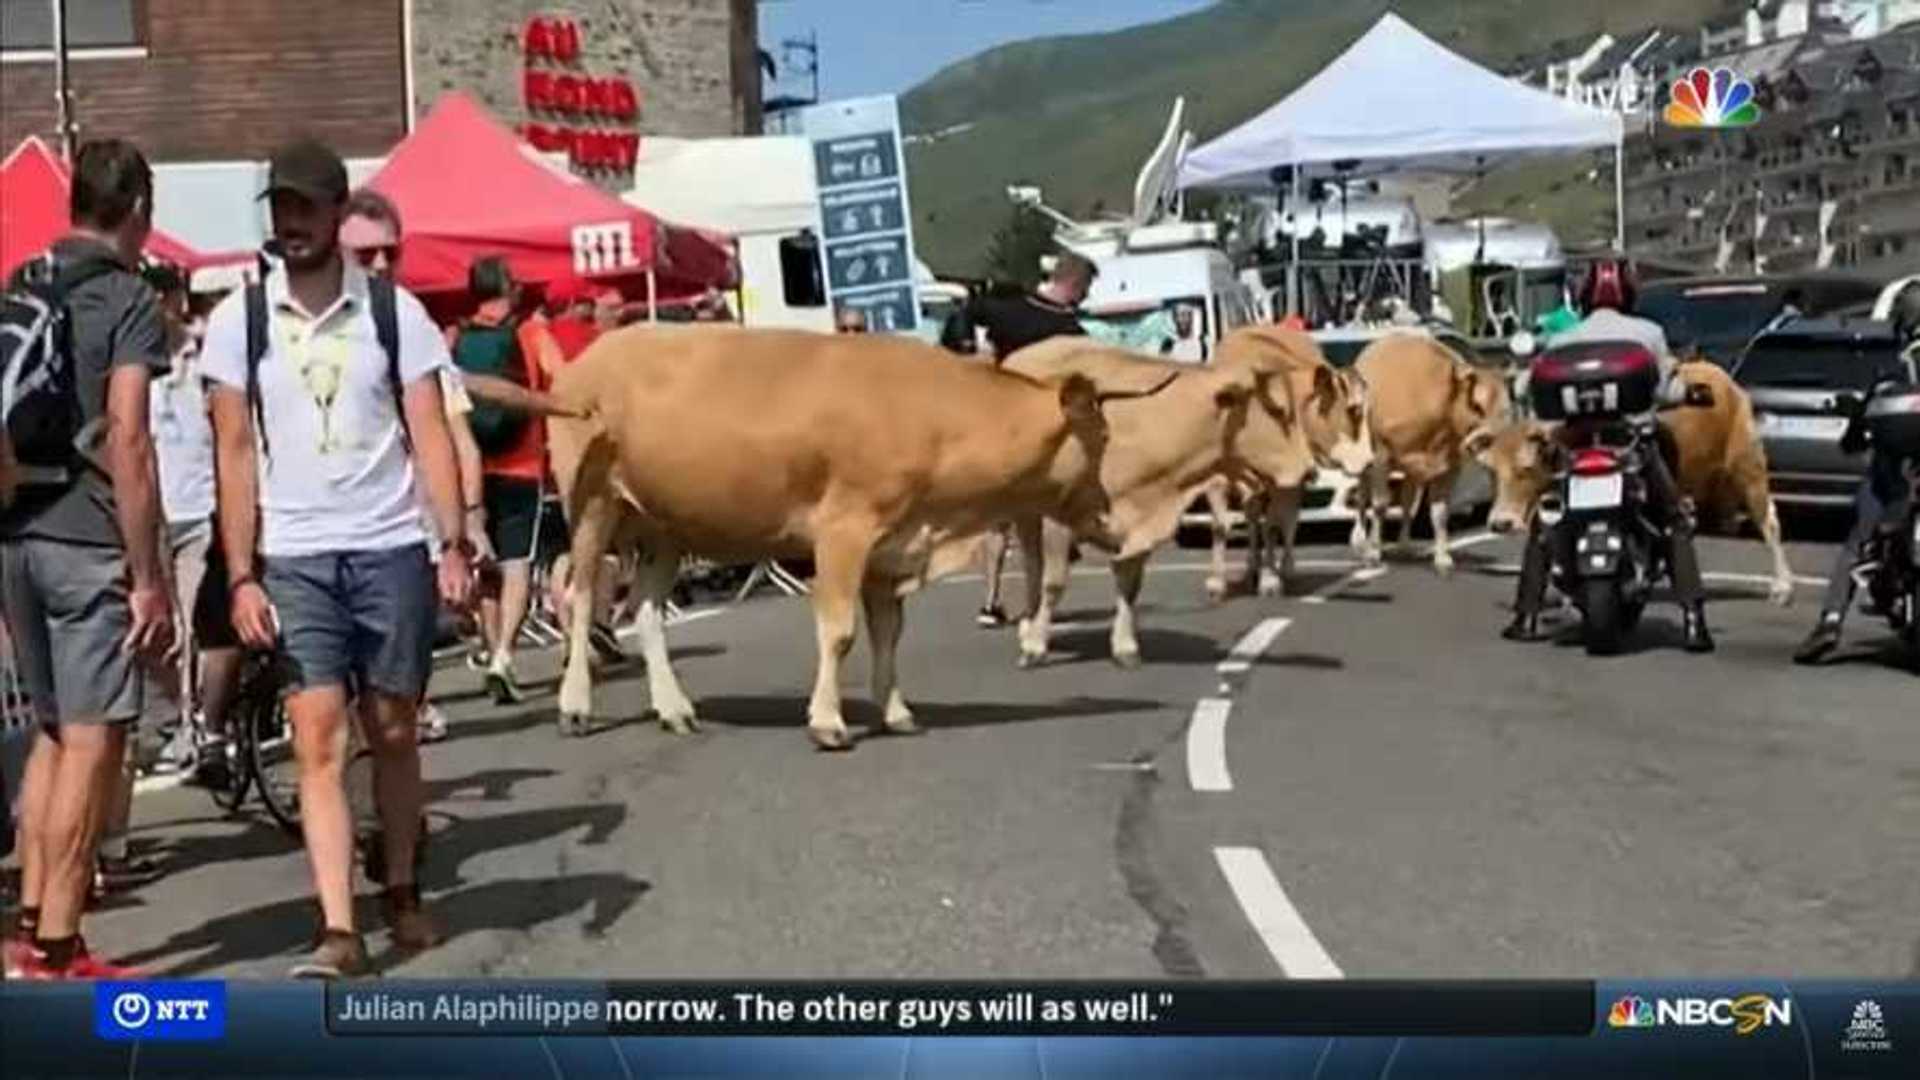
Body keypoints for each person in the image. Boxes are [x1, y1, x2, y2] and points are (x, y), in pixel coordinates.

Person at [202, 137, 471, 978]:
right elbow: (233, 453)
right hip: (296, 557)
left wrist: (454, 540)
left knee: (391, 729)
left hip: (389, 547)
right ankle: (339, 929)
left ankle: (401, 887)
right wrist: (241, 574)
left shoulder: (394, 312)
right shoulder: (239, 320)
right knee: (316, 736)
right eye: (280, 208)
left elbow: (429, 429)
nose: (292, 223)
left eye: (305, 207)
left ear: (338, 213)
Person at [2, 139, 174, 979]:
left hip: (16, 533)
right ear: (136, 208)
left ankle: (32, 920)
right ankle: (59, 948)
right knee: (92, 741)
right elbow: (129, 437)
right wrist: (148, 575)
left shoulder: (23, 281)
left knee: (49, 730)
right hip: (84, 537)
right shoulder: (127, 297)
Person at [339, 187, 491, 744]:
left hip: (409, 523)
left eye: (391, 252)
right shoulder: (294, 325)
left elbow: (454, 434)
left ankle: (399, 725)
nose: (381, 264)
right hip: (326, 527)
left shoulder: (408, 321)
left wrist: (467, 523)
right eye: (366, 254)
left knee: (398, 670)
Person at [1502, 256, 1715, 653]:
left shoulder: (1564, 339)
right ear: (1630, 293)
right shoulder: (1648, 333)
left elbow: (1525, 388)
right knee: (1673, 521)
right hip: (1631, 444)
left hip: (1575, 446)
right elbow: (1666, 389)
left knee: (1545, 523)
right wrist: (1692, 392)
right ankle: (1693, 621)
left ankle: (1525, 617)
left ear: (1582, 295)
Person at [945, 252, 1098, 627]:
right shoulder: (1072, 333)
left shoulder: (1008, 308)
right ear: (1075, 284)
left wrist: (967, 349)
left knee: (1004, 522)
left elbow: (964, 313)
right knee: (1047, 523)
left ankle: (996, 601)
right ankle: (1035, 607)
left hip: (1000, 428)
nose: (1084, 298)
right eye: (1085, 290)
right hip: (1046, 438)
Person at [449, 257, 563, 705]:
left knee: (487, 565)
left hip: (470, 470)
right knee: (518, 564)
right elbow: (562, 377)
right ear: (507, 288)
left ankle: (491, 646)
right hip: (522, 464)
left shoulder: (455, 338)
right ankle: (504, 657)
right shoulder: (529, 333)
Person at [1793, 284, 1920, 664]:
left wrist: (1856, 428)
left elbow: (1858, 430)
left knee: (1857, 541)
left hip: (1893, 474)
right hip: (1900, 477)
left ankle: (1830, 621)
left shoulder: (1895, 368)